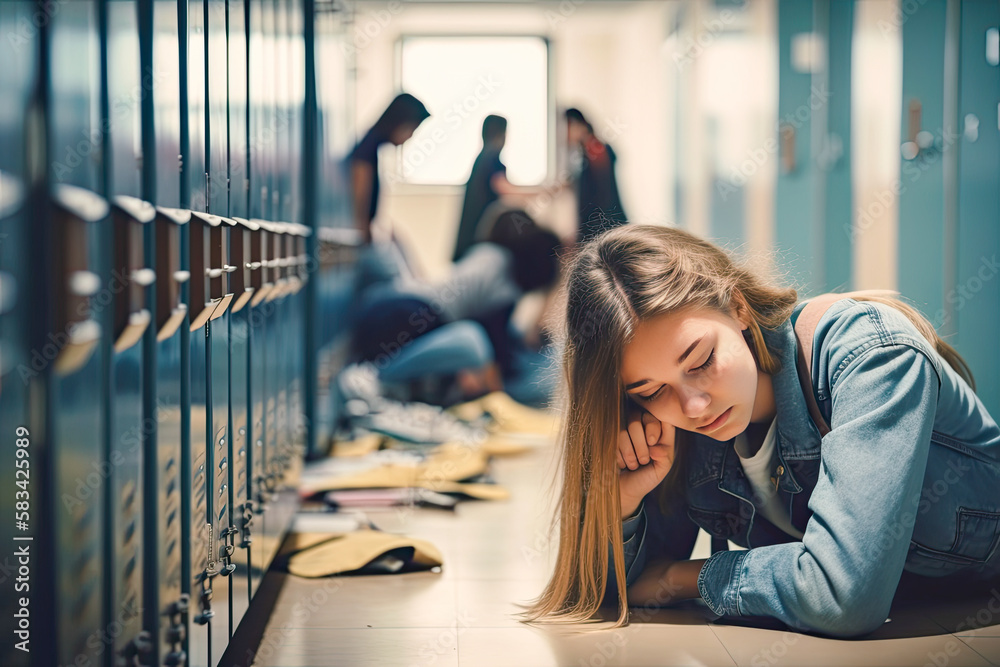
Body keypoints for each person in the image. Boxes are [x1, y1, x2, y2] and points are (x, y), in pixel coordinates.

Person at [524, 224, 1000, 637]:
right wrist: (623, 501)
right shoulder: (675, 425)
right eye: (650, 390)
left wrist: (688, 576)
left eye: (702, 360)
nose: (692, 405)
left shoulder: (870, 356)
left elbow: (843, 598)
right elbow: (617, 592)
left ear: (737, 308)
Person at [351, 209, 563, 407]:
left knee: (496, 345)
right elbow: (495, 345)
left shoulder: (492, 256)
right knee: (474, 342)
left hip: (394, 307)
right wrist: (498, 399)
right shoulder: (506, 274)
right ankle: (377, 378)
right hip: (404, 311)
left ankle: (380, 376)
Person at [453, 115, 547, 261]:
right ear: (501, 133)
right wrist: (541, 192)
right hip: (480, 233)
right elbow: (504, 188)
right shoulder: (492, 157)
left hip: (470, 234)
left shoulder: (481, 158)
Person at [348, 93, 430, 245]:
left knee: (397, 239)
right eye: (412, 129)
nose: (411, 136)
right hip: (360, 239)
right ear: (400, 123)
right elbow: (359, 203)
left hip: (366, 234)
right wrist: (366, 233)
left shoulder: (373, 147)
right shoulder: (367, 151)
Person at [564, 108, 627, 244]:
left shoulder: (595, 149)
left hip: (604, 225)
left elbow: (602, 195)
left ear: (577, 125)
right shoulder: (586, 151)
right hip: (601, 224)